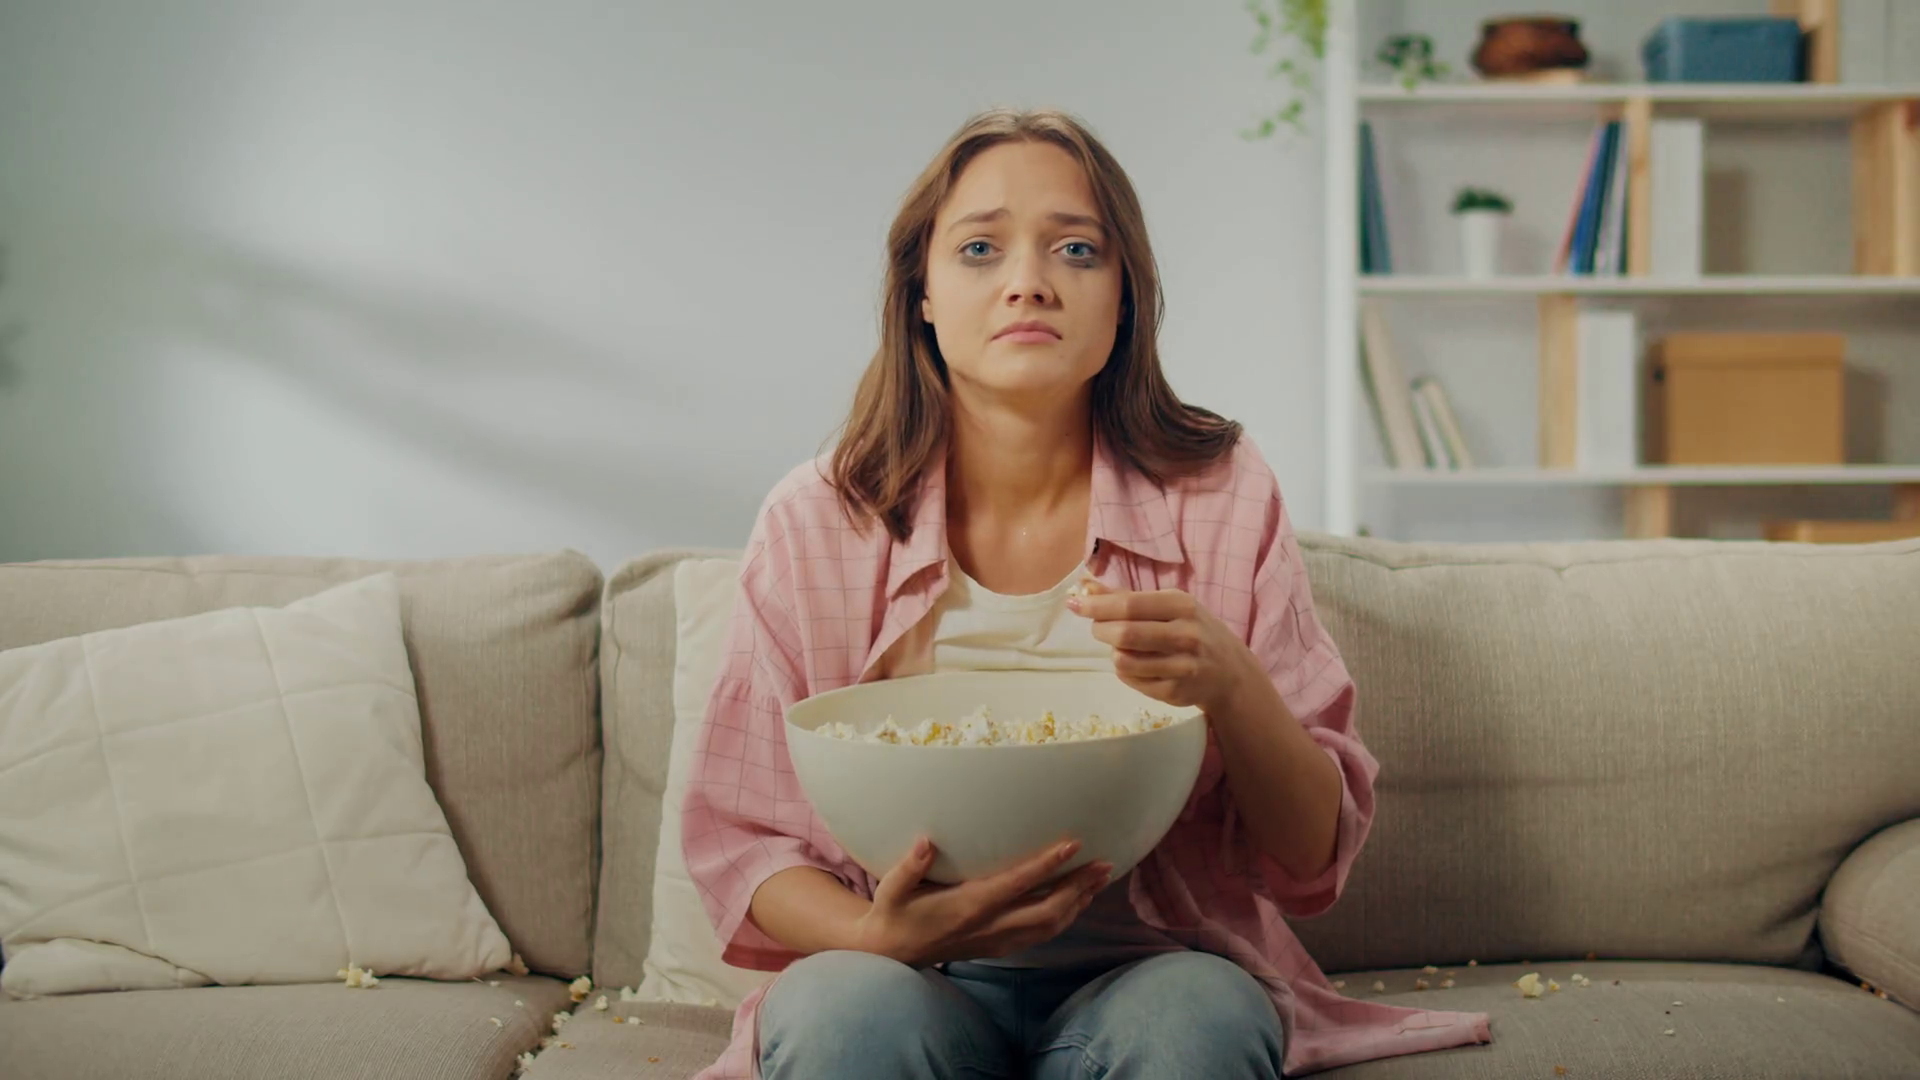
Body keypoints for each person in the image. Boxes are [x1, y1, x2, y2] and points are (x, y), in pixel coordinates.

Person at [680, 107, 1490, 1080]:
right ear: (921, 293)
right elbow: (744, 841)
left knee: (1197, 1021)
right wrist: (875, 934)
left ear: (1123, 298)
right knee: (839, 1013)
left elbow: (1311, 856)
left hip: (1156, 970)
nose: (1029, 280)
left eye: (1076, 249)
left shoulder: (1222, 494)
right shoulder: (817, 519)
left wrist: (1232, 684)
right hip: (902, 979)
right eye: (980, 249)